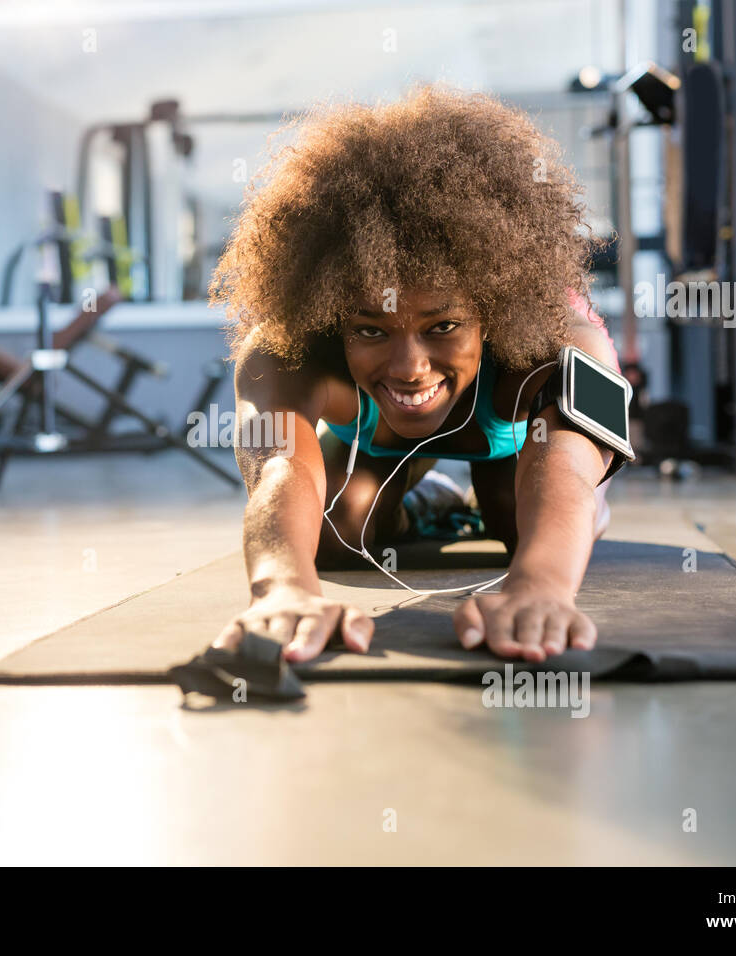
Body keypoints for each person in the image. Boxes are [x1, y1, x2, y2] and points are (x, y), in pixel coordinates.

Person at [209, 84, 621, 664]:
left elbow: (571, 465)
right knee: (338, 531)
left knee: (520, 518)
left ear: (493, 308)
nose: (408, 368)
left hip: (517, 448)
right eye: (372, 330)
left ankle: (519, 502)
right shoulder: (287, 348)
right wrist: (283, 590)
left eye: (443, 326)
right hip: (376, 442)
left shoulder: (564, 337)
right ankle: (431, 499)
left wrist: (541, 587)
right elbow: (278, 464)